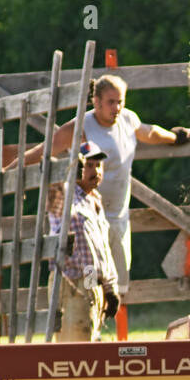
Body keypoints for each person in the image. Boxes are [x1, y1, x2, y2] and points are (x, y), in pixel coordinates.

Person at [7, 73, 190, 298]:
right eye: (111, 102)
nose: (116, 107)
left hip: (118, 216)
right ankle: (91, 331)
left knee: (117, 287)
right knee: (90, 283)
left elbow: (150, 132)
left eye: (120, 101)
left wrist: (174, 138)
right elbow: (42, 151)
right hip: (88, 222)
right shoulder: (80, 128)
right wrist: (10, 174)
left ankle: (112, 330)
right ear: (96, 102)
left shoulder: (128, 120)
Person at [56, 142, 120, 342]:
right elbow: (59, 216)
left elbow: (102, 252)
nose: (95, 171)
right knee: (74, 343)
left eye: (98, 166)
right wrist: (67, 179)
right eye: (89, 165)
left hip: (91, 280)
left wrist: (110, 289)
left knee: (90, 338)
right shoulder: (64, 196)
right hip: (72, 280)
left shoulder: (95, 201)